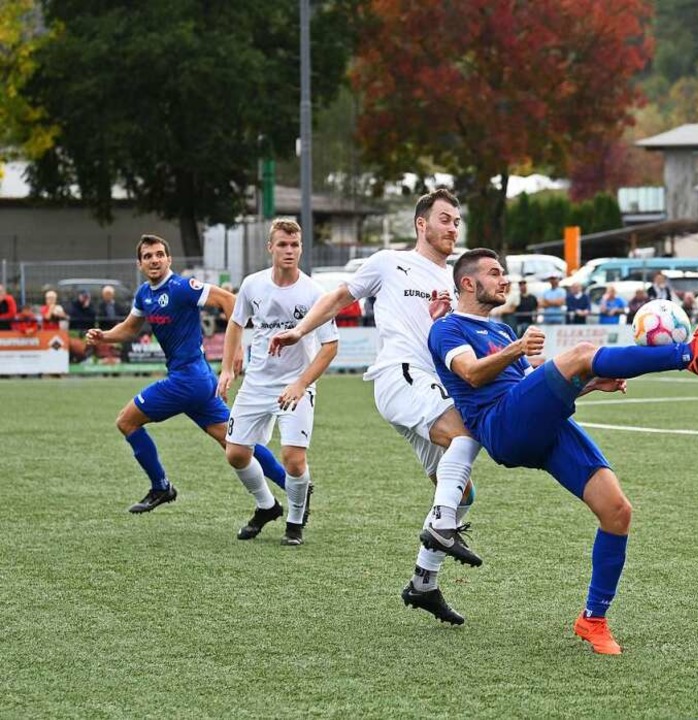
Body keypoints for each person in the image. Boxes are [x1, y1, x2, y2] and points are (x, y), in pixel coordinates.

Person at [427, 248, 698, 654]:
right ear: (469, 283)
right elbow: (470, 373)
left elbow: (536, 386)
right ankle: (688, 353)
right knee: (580, 354)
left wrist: (588, 383)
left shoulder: (501, 331)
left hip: (539, 422)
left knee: (617, 510)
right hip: (502, 426)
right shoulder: (448, 329)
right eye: (494, 273)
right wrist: (522, 350)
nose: (504, 280)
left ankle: (593, 620)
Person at [269, 188, 481, 624]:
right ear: (421, 224)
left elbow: (459, 338)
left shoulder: (452, 282)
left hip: (432, 388)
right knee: (467, 434)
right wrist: (300, 331)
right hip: (399, 377)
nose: (453, 228)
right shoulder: (389, 262)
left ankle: (424, 582)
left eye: (457, 221)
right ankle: (442, 526)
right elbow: (337, 298)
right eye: (445, 219)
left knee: (462, 491)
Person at [85, 234, 287, 513]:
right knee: (234, 441)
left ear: (169, 259)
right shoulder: (145, 293)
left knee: (126, 421)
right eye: (148, 256)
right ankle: (294, 486)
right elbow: (131, 328)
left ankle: (161, 487)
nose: (154, 260)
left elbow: (230, 300)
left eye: (159, 254)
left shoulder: (182, 287)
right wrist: (104, 337)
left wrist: (238, 346)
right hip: (198, 381)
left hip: (187, 379)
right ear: (139, 264)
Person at [218, 219, 338, 546]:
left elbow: (330, 346)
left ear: (301, 248)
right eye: (282, 244)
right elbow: (235, 324)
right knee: (236, 454)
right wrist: (227, 368)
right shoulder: (253, 285)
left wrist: (301, 384)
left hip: (295, 385)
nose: (289, 250)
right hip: (257, 383)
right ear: (270, 247)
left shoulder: (314, 293)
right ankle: (266, 506)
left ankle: (295, 521)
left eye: (294, 245)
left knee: (293, 459)